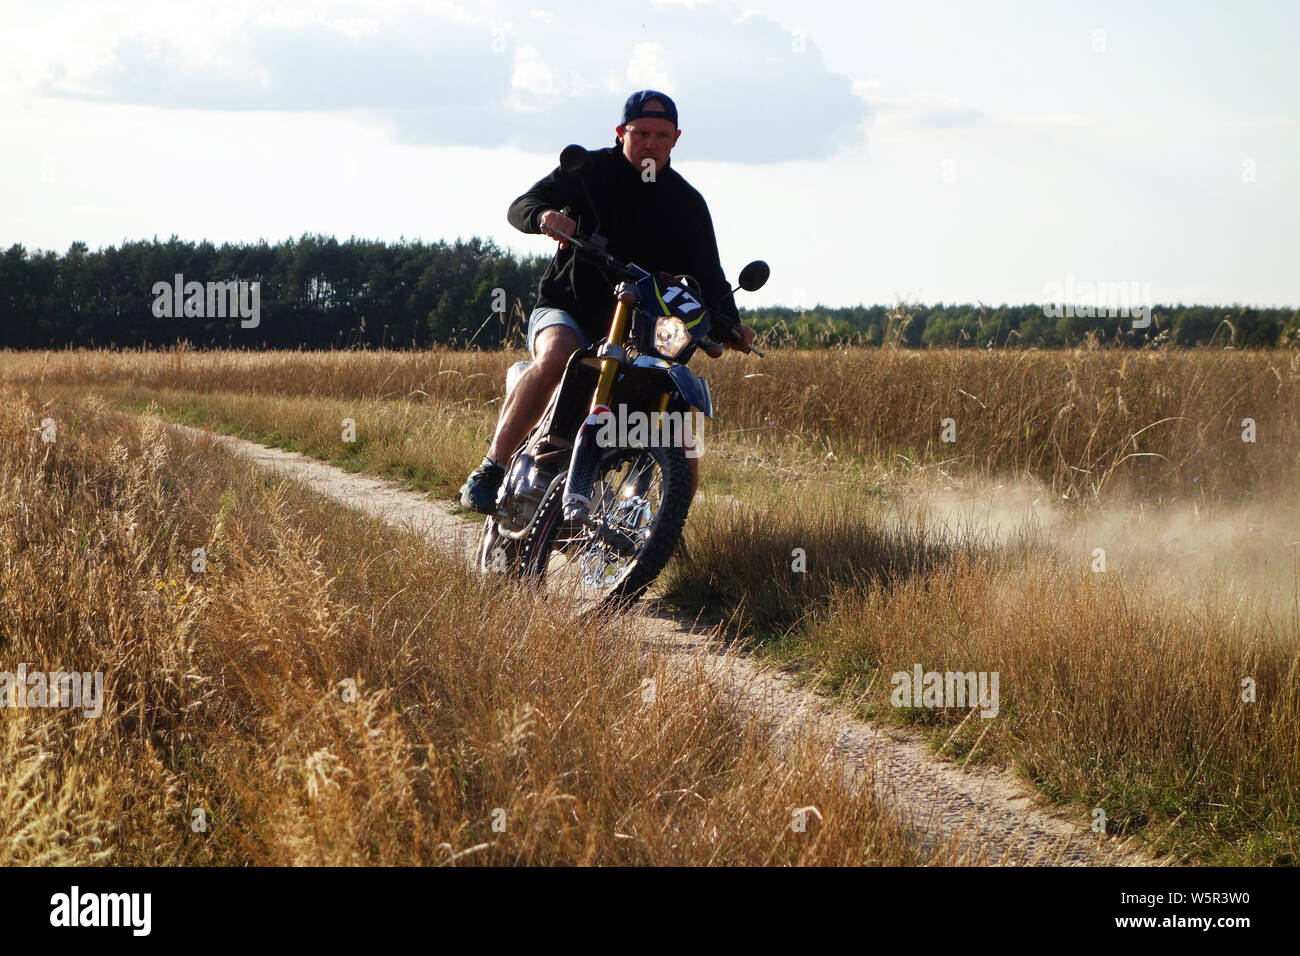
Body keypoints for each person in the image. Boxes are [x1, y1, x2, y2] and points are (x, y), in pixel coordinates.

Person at [459, 89, 756, 514]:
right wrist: (544, 217)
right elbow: (522, 205)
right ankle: (490, 468)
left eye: (661, 134)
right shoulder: (588, 171)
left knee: (675, 399)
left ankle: (665, 528)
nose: (651, 143)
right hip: (568, 310)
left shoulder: (688, 204)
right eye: (641, 133)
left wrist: (732, 327)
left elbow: (710, 278)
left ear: (676, 139)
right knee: (560, 353)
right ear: (621, 133)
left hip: (640, 331)